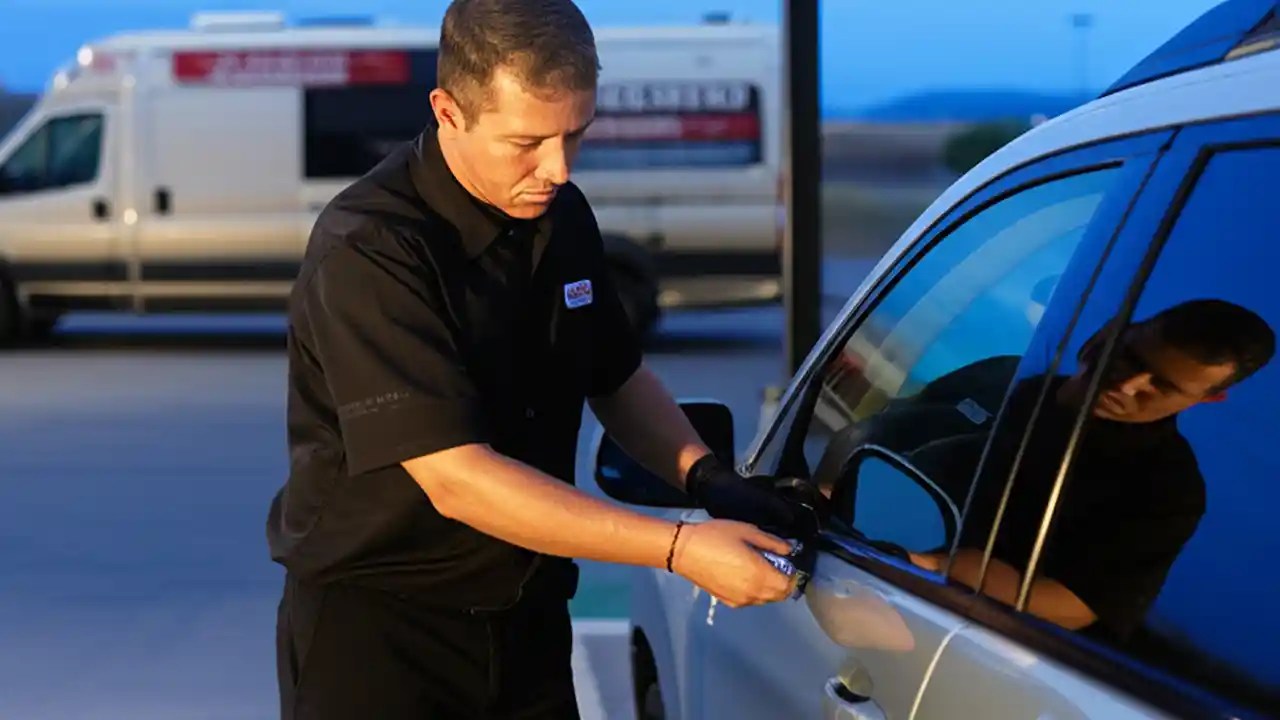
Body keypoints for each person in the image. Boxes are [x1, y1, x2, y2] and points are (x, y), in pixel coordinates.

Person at [264, 1, 809, 718]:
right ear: (448, 111)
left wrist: (704, 475)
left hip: (530, 624)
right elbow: (459, 479)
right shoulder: (372, 250)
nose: (555, 168)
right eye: (526, 142)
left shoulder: (562, 216)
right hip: (384, 639)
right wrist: (679, 547)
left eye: (575, 134)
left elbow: (616, 377)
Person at [908, 299, 1275, 639]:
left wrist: (941, 566)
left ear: (1207, 400)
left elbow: (1077, 606)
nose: (1127, 386)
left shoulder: (1167, 490)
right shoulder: (1013, 387)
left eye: (1162, 386)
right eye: (1132, 358)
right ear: (1112, 332)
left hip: (966, 630)